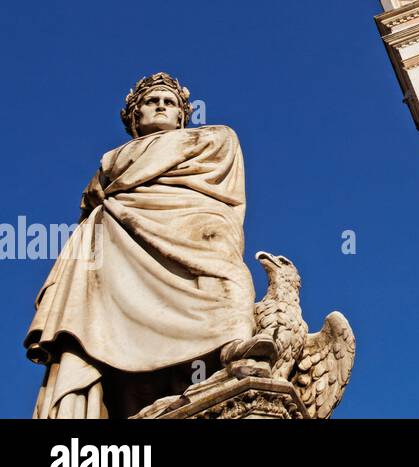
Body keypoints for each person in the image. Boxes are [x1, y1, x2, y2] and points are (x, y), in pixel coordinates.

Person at [25, 73, 257, 418]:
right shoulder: (111, 163)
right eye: (151, 102)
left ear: (182, 115)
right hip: (119, 244)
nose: (161, 105)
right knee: (101, 333)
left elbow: (224, 191)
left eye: (170, 102)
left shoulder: (213, 138)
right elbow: (108, 179)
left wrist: (107, 187)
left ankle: (235, 352)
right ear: (136, 117)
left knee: (230, 281)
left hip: (194, 230)